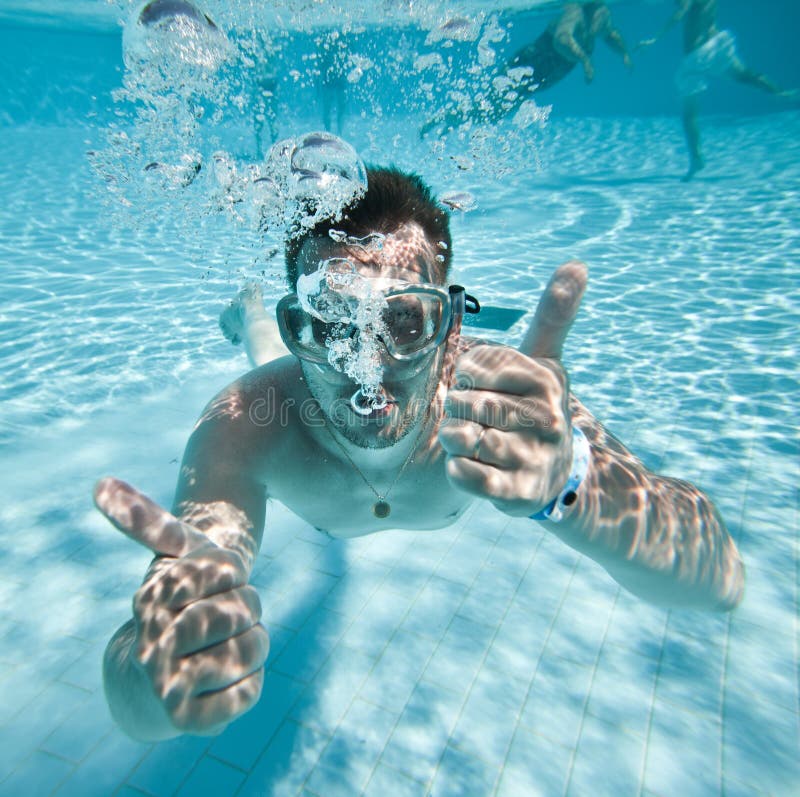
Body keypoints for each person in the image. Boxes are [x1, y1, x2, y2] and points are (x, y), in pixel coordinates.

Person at [96, 167, 745, 741]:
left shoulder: (506, 410)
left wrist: (575, 485)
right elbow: (137, 697)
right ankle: (255, 314)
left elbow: (721, 581)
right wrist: (155, 676)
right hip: (280, 384)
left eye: (404, 320)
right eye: (329, 323)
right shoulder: (244, 424)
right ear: (302, 329)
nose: (367, 364)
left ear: (450, 324)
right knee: (264, 361)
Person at [420, 2, 632, 137]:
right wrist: (585, 61)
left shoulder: (598, 18)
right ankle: (447, 118)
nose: (605, 20)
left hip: (536, 78)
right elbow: (561, 39)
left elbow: (609, 33)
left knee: (495, 113)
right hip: (524, 67)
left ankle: (453, 120)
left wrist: (624, 53)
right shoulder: (575, 12)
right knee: (492, 108)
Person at [638, 0, 796, 181]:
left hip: (697, 55)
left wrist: (655, 38)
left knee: (689, 114)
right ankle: (779, 92)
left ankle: (696, 158)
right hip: (717, 44)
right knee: (743, 74)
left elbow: (681, 11)